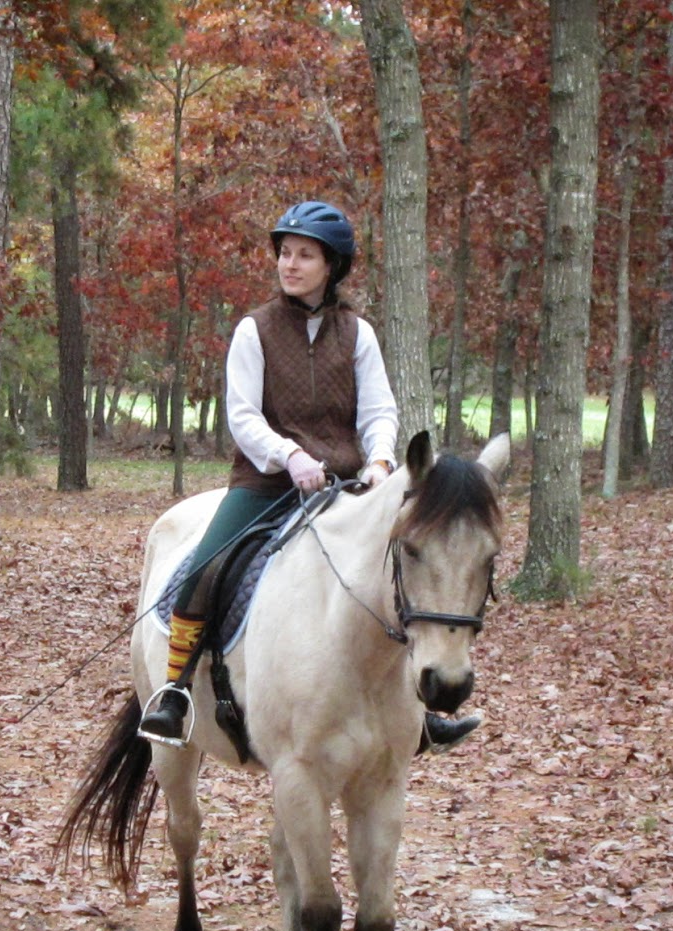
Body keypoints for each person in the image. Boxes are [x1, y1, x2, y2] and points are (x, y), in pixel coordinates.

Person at [138, 200, 480, 755]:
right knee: (203, 569)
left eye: (304, 255)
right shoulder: (256, 330)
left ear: (332, 266)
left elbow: (378, 412)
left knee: (399, 579)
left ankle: (415, 715)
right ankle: (174, 693)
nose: (289, 265)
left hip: (346, 488)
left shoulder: (358, 334)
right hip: (266, 484)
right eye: (284, 254)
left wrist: (378, 462)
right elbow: (243, 415)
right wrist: (288, 456)